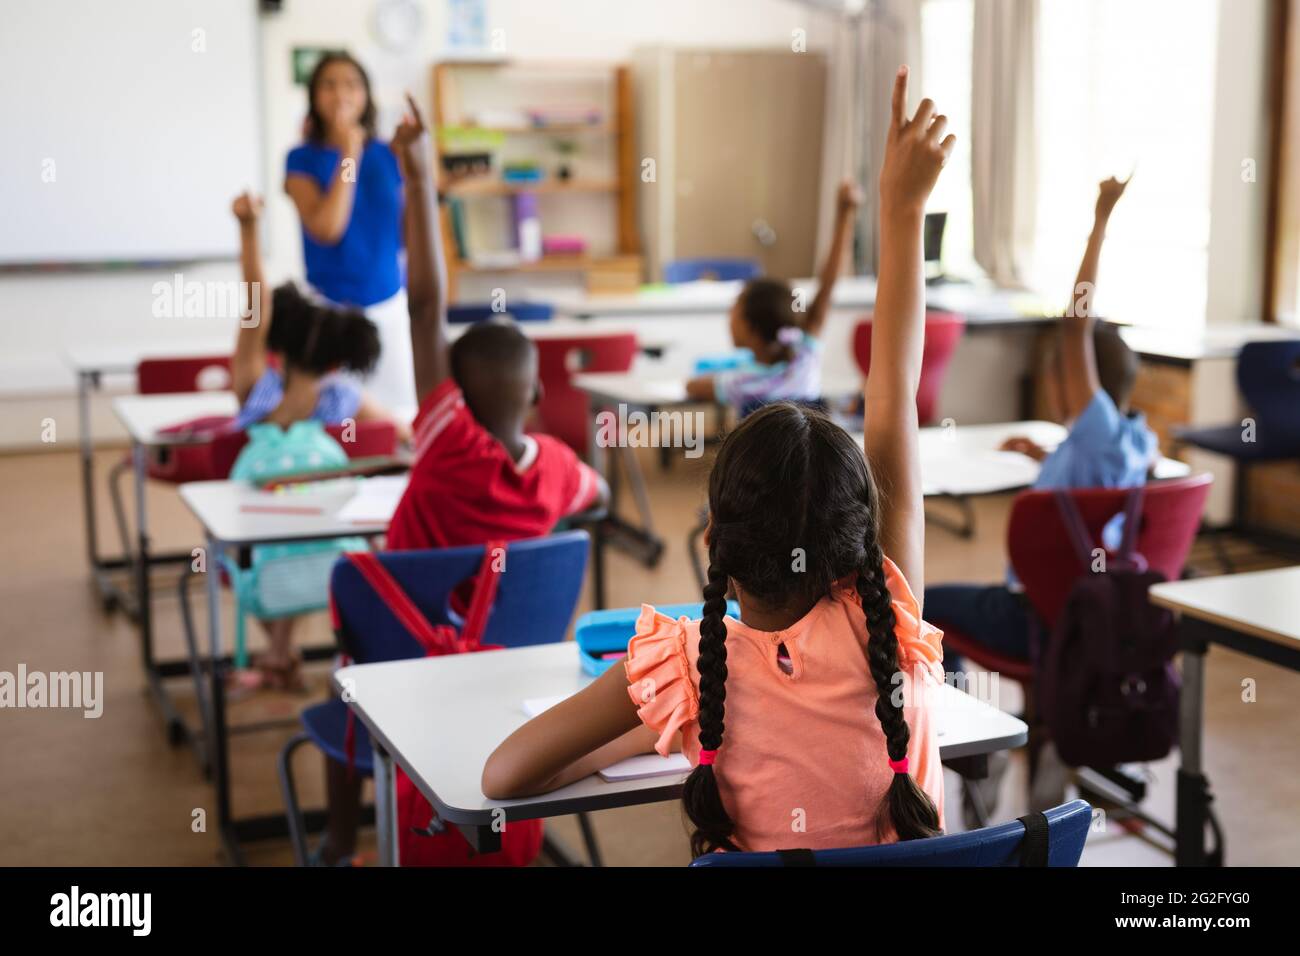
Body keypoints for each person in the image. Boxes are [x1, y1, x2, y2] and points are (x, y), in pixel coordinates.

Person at [482, 66, 956, 854]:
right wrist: (902, 213)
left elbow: (504, 776)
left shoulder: (693, 669)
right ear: (859, 540)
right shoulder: (896, 634)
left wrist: (648, 731)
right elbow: (890, 400)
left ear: (713, 543)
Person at [284, 52, 415, 412]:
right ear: (313, 96)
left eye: (351, 84)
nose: (340, 93)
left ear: (366, 95)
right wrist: (349, 152)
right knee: (337, 421)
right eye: (329, 84)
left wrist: (423, 173)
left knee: (401, 416)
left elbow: (407, 235)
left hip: (388, 305)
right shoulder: (301, 159)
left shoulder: (389, 154)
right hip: (330, 311)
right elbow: (327, 228)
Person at [684, 180, 862, 415]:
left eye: (734, 312)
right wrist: (845, 214)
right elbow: (827, 287)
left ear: (753, 331)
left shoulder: (741, 382)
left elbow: (692, 386)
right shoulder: (803, 360)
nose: (729, 319)